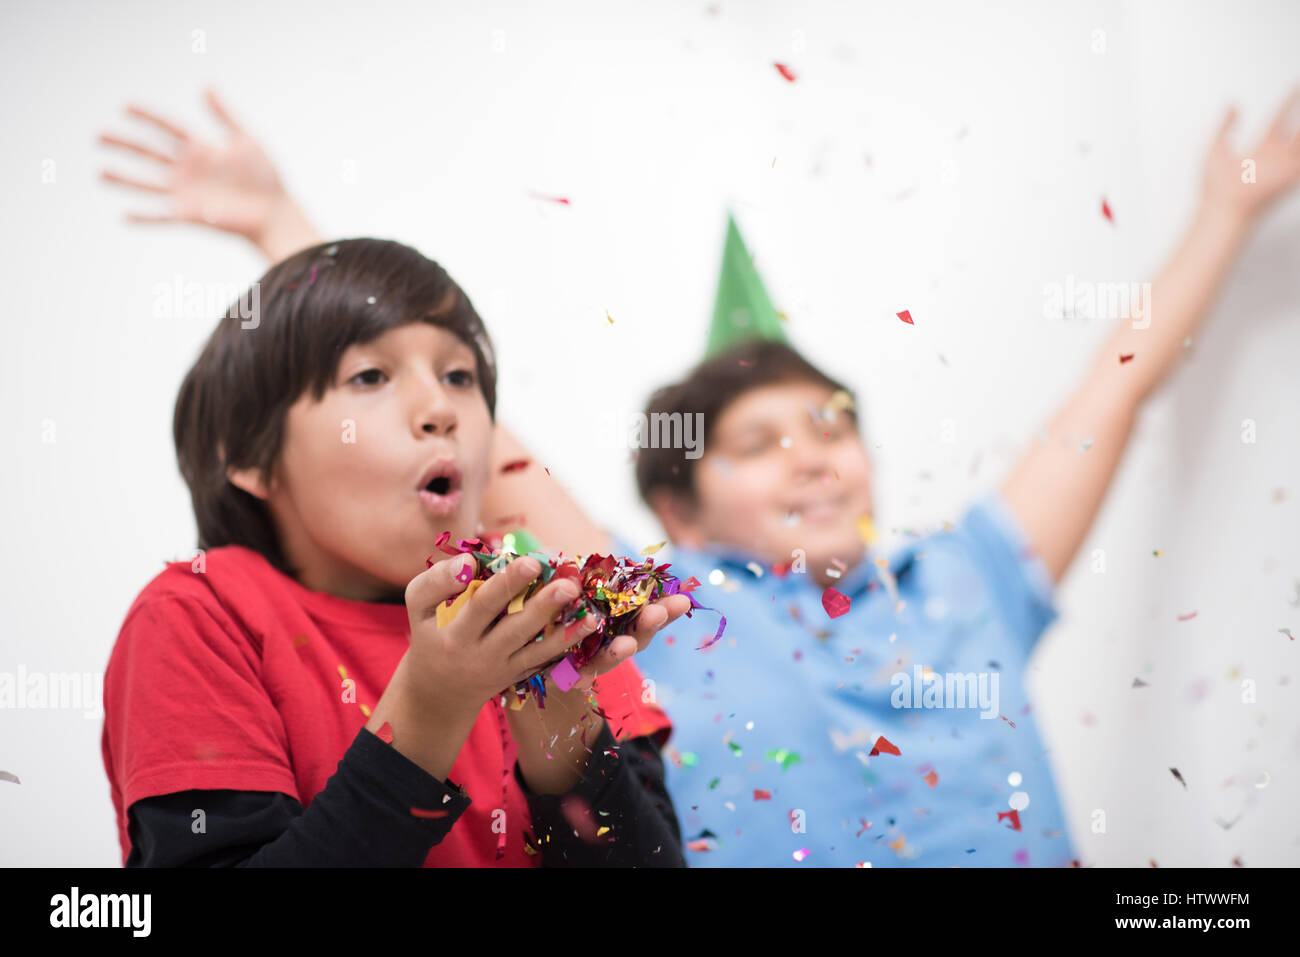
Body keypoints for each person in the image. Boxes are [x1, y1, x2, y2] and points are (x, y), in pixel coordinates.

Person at [97, 225, 693, 864]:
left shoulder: (553, 608)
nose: (440, 407)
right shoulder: (200, 615)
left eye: (460, 375)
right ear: (249, 452)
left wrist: (560, 721)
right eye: (371, 375)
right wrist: (431, 709)